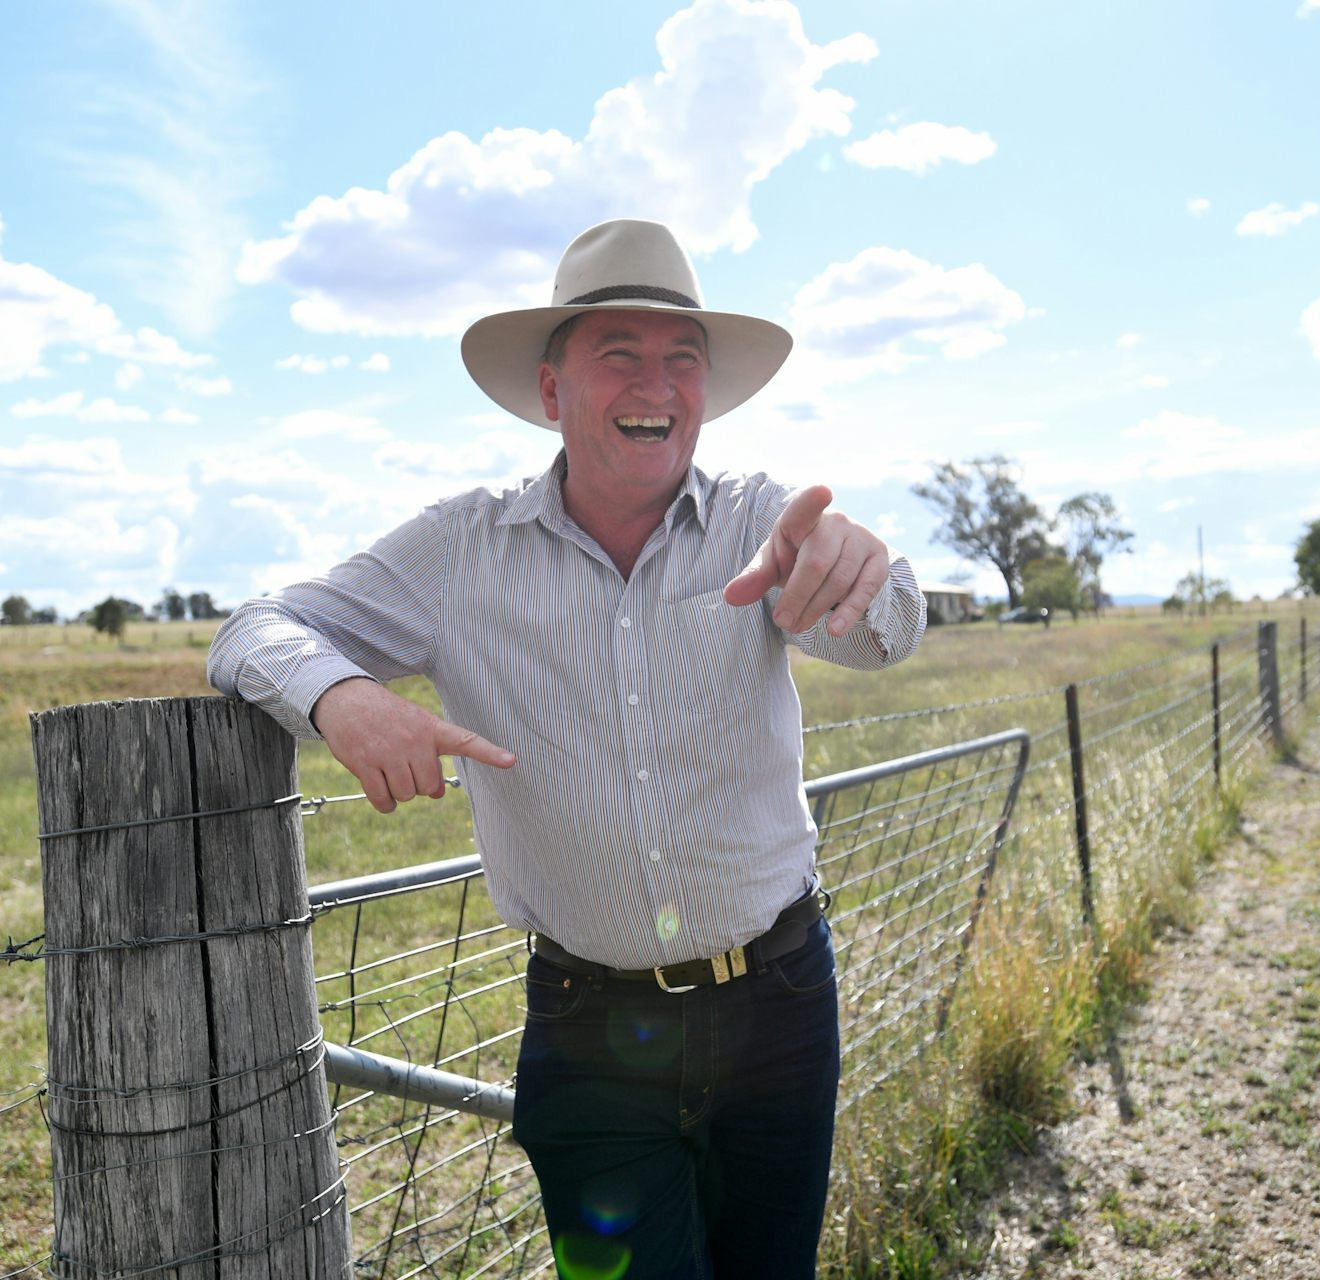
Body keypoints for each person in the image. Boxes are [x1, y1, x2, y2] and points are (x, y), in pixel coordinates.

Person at [208, 218, 926, 1279]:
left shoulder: (758, 522)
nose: (658, 381)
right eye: (619, 354)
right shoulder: (462, 549)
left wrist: (860, 565)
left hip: (778, 1001)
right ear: (552, 391)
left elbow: (889, 631)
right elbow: (250, 629)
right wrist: (345, 697)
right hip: (591, 1031)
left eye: (683, 357)